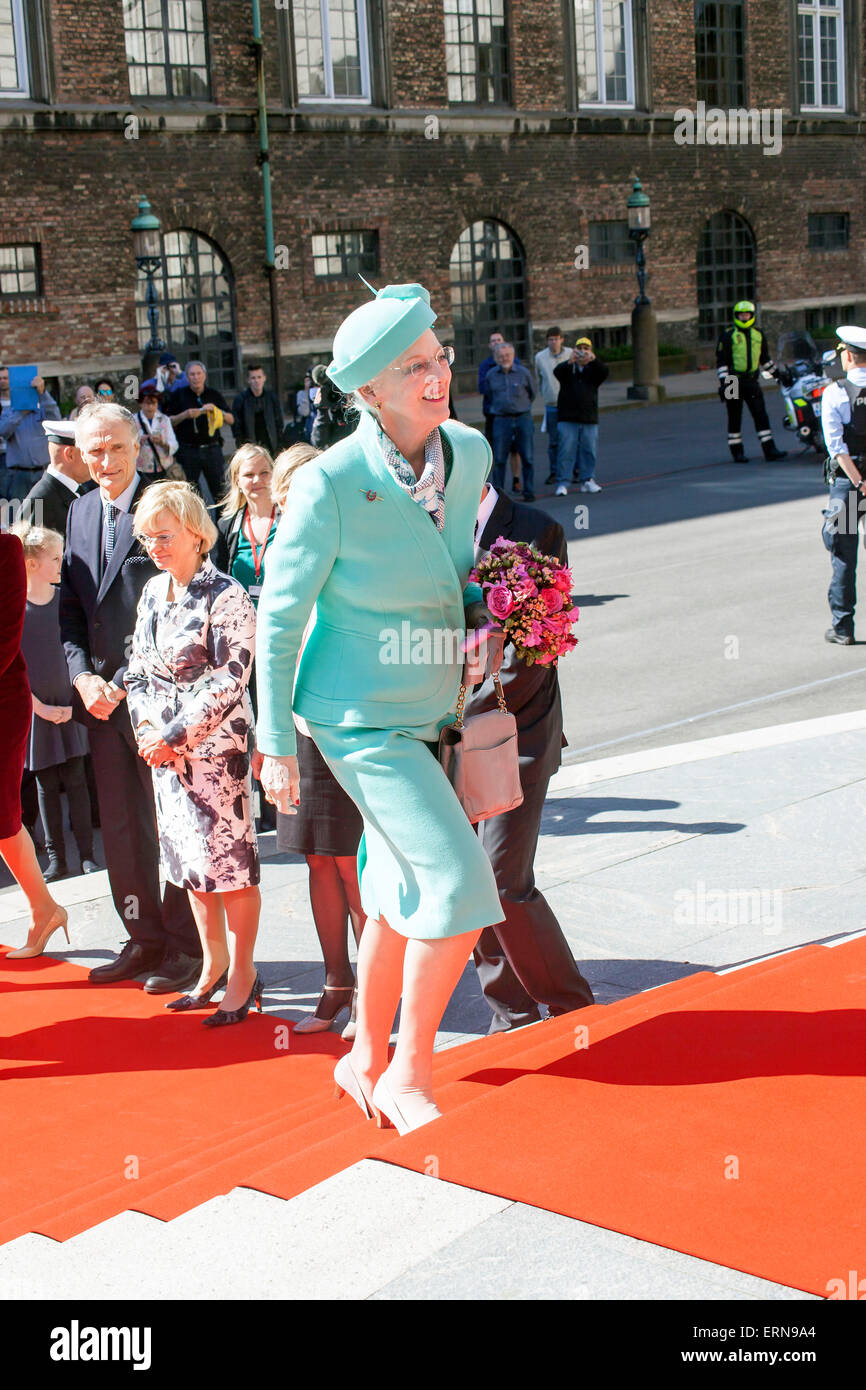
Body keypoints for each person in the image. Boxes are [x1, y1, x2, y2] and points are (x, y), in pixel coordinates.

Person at [256, 281, 505, 1134]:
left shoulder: (469, 451)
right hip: (355, 717)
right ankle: (407, 1071)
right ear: (368, 392)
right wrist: (274, 742)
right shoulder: (328, 483)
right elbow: (280, 614)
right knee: (458, 880)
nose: (438, 377)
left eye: (438, 358)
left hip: (437, 699)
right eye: (414, 369)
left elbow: (459, 569)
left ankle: (362, 1057)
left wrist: (488, 619)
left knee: (399, 885)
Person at [60, 401, 201, 990]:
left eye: (116, 447)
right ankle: (142, 937)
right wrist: (80, 675)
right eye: (94, 449)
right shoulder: (80, 511)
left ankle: (185, 948)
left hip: (157, 702)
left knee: (173, 826)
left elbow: (184, 604)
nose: (105, 460)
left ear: (136, 447)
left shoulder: (166, 504)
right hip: (99, 704)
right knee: (120, 827)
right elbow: (71, 608)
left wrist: (123, 679)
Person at [125, 481, 261, 1024]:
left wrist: (174, 735)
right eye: (147, 537)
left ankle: (245, 974)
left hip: (214, 752)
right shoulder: (153, 592)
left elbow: (231, 679)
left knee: (230, 866)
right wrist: (147, 732)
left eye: (164, 535)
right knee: (191, 867)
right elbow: (137, 671)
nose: (155, 546)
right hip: (164, 752)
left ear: (195, 533)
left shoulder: (227, 593)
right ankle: (211, 967)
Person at [468, 481, 595, 1029]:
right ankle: (511, 1014)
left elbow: (539, 647)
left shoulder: (536, 529)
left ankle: (570, 1004)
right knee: (467, 881)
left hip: (516, 732)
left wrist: (458, 705)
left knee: (502, 879)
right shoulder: (426, 532)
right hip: (444, 737)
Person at [269, 443, 365, 1037]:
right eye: (292, 490)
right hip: (300, 728)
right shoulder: (279, 554)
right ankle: (335, 986)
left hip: (352, 722)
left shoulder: (350, 544)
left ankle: (379, 992)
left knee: (355, 865)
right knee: (317, 859)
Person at [14, 522, 97, 882]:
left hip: (71, 705)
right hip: (39, 712)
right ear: (32, 564)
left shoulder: (66, 600)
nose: (61, 564)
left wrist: (74, 700)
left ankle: (87, 855)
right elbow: (13, 668)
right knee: (47, 786)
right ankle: (56, 858)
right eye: (55, 558)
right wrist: (40, 708)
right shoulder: (16, 609)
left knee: (77, 779)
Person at [0, 530, 69, 959]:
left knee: (3, 814)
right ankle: (45, 909)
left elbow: (6, 636)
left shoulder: (6, 549)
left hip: (3, 700)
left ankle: (45, 909)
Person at [213, 443, 280, 829]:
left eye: (263, 472)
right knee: (245, 717)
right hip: (241, 641)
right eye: (248, 475)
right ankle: (257, 803)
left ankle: (281, 795)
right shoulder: (227, 525)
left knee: (278, 713)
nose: (256, 481)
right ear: (237, 480)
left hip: (283, 635)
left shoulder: (289, 516)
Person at [820, 325, 866, 645]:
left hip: (849, 488)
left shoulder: (835, 392)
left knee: (843, 554)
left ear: (848, 356)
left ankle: (843, 627)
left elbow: (838, 448)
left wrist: (860, 482)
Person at [716, 301, 788, 463]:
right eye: (741, 315)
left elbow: (765, 360)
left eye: (746, 314)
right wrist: (724, 383)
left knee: (761, 414)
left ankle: (770, 450)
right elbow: (722, 362)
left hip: (751, 380)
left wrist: (778, 375)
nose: (744, 317)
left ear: (752, 315)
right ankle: (737, 452)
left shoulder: (758, 334)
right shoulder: (728, 335)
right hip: (732, 380)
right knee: (734, 416)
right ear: (736, 316)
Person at [164, 361, 233, 502]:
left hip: (212, 449)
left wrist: (216, 410)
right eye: (192, 374)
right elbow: (167, 421)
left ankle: (223, 523)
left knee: (220, 492)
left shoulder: (214, 394)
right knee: (191, 493)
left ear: (204, 375)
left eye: (198, 373)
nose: (196, 377)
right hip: (188, 451)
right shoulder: (179, 395)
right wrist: (185, 415)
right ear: (187, 377)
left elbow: (231, 419)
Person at [553, 336, 610, 495]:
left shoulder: (594, 370)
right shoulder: (567, 369)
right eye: (580, 349)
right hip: (567, 417)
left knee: (589, 450)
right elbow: (557, 372)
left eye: (586, 349)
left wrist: (594, 360)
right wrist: (570, 361)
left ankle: (587, 480)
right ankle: (563, 482)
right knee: (566, 450)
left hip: (589, 417)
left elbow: (605, 372)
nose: (582, 353)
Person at [0, 370, 61, 503]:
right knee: (19, 516)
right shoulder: (9, 411)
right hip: (19, 475)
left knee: (42, 514)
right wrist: (21, 412)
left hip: (42, 472)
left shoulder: (42, 410)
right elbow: (3, 431)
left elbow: (56, 418)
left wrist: (43, 393)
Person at [486, 341, 536, 502]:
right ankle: (499, 496)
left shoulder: (524, 373)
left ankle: (529, 491)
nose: (504, 358)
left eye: (507, 355)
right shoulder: (491, 375)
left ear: (513, 356)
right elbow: (488, 397)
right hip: (501, 420)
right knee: (499, 459)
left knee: (527, 456)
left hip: (523, 418)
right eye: (500, 356)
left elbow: (532, 393)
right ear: (496, 358)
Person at [24, 421, 92, 535]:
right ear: (70, 454)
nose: (93, 460)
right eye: (88, 452)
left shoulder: (78, 490)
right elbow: (32, 551)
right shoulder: (40, 501)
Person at [535, 327, 571, 485]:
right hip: (551, 404)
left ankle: (573, 470)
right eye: (551, 339)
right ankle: (555, 471)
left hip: (569, 404)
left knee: (571, 440)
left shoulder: (570, 354)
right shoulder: (540, 357)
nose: (554, 342)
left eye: (556, 339)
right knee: (554, 442)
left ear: (562, 339)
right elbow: (538, 379)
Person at [231, 364, 284, 456]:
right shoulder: (241, 400)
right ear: (248, 380)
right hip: (251, 447)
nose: (257, 381)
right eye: (253, 378)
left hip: (271, 445)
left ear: (264, 378)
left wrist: (279, 446)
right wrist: (242, 447)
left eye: (259, 377)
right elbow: (236, 426)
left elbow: (279, 422)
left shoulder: (271, 398)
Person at [134, 380, 181, 480]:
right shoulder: (133, 420)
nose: (150, 407)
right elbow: (127, 445)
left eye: (153, 403)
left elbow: (174, 444)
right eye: (147, 403)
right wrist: (139, 441)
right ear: (141, 403)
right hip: (143, 469)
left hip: (164, 468)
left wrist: (162, 443)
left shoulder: (164, 419)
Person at [309, 363, 352, 450]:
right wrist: (322, 411)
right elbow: (318, 443)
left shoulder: (355, 406)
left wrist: (351, 407)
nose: (334, 394)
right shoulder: (325, 411)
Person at [295, 374, 315, 441]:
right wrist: (307, 392)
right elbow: (305, 412)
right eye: (306, 381)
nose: (308, 383)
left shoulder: (317, 392)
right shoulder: (301, 393)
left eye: (310, 380)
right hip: (307, 426)